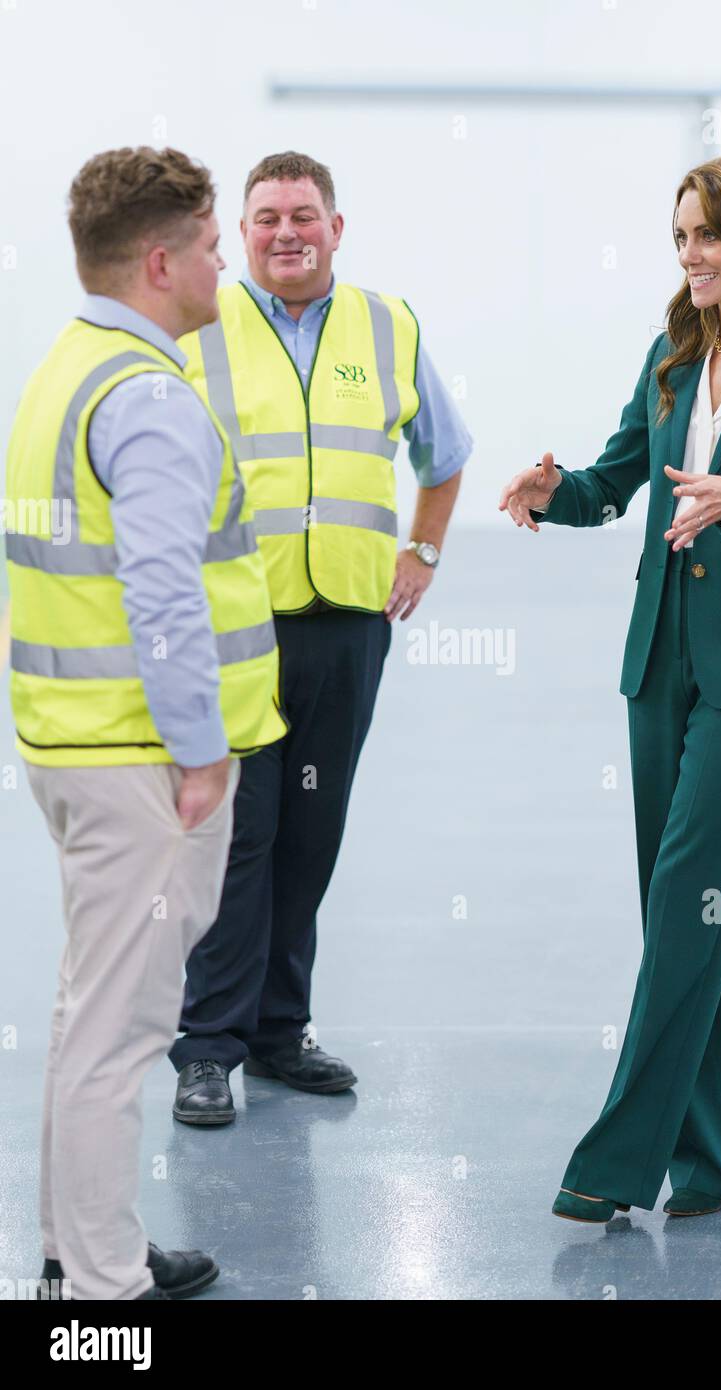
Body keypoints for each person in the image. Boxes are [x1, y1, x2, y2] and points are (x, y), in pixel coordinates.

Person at [499, 156, 721, 1219]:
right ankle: (717, 1160)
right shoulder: (671, 357)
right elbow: (615, 482)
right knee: (684, 914)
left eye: (705, 235)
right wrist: (552, 492)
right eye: (678, 238)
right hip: (658, 657)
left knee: (685, 901)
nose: (689, 255)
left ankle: (613, 1162)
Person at [5, 146, 287, 1298]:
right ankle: (105, 1294)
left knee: (90, 1012)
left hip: (73, 743)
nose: (227, 262)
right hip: (139, 757)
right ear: (161, 260)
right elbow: (162, 590)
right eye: (217, 243)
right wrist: (202, 750)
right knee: (121, 1035)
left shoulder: (64, 368)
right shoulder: (151, 395)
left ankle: (83, 1248)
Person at [169, 151, 472, 1123]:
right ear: (241, 233)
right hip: (234, 629)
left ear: (337, 228)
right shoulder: (197, 330)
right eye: (266, 217)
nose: (286, 231)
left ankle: (277, 1030)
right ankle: (206, 1047)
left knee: (309, 834)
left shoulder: (387, 326)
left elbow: (446, 454)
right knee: (235, 837)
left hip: (346, 627)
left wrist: (420, 549)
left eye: (304, 214)